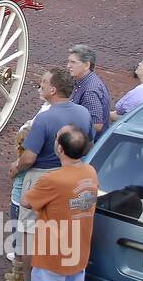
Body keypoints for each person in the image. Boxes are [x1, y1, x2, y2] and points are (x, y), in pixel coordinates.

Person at [21, 125, 97, 281]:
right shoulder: (90, 172)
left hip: (52, 255)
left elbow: (27, 202)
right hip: (79, 253)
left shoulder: (54, 180)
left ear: (60, 149)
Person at [8, 67, 93, 247]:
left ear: (53, 90)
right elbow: (89, 144)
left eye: (44, 82)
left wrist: (16, 167)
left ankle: (24, 273)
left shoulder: (44, 119)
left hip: (41, 176)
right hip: (73, 174)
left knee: (29, 234)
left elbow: (29, 158)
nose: (41, 84)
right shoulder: (84, 113)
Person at [66, 44, 110, 140]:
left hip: (87, 144)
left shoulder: (90, 90)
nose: (68, 66)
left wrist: (68, 130)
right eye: (68, 61)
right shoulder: (83, 80)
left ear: (86, 65)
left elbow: (97, 125)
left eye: (73, 62)